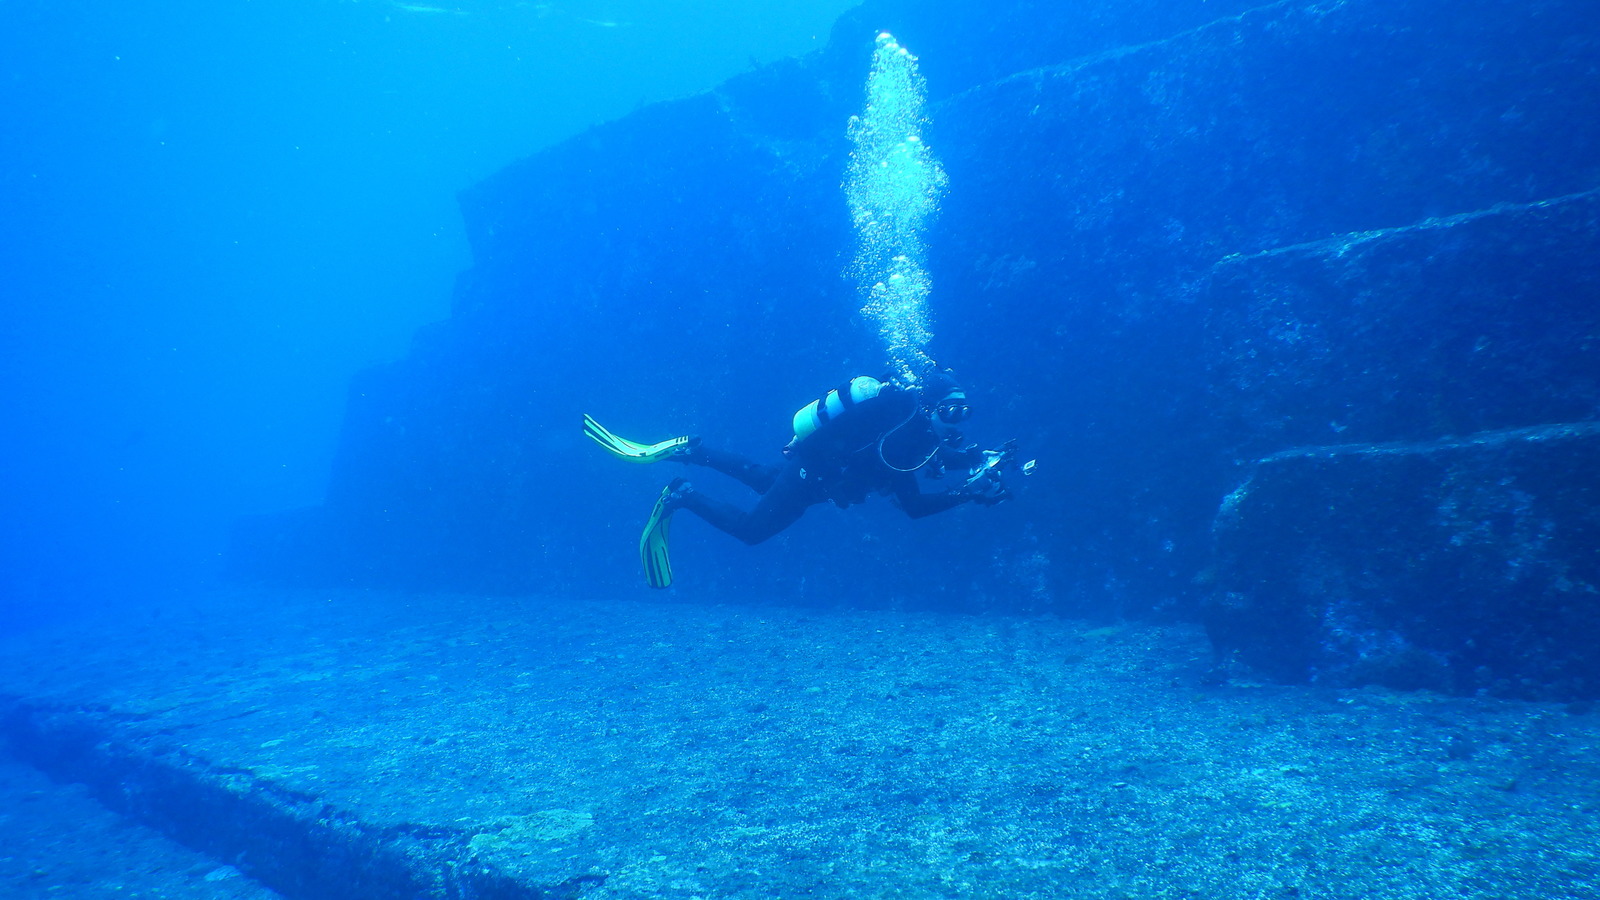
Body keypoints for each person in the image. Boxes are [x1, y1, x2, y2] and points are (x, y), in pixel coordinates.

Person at [584, 368, 1026, 588]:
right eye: (950, 412)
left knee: (761, 480)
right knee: (751, 530)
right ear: (929, 408)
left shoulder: (916, 432)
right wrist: (968, 493)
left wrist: (972, 461)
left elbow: (935, 456)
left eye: (964, 414)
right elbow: (913, 506)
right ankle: (681, 494)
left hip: (818, 470)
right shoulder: (903, 435)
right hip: (815, 471)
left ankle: (693, 451)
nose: (957, 422)